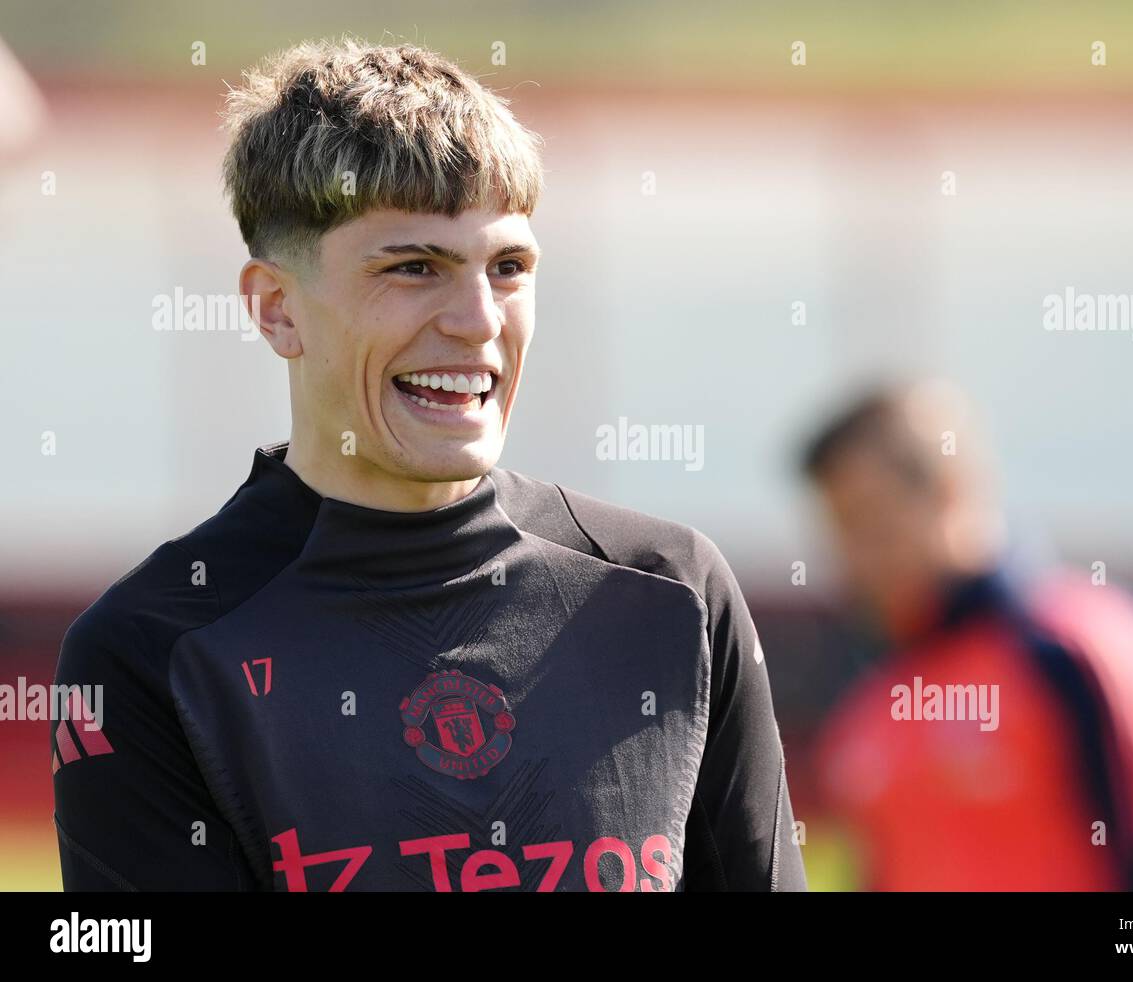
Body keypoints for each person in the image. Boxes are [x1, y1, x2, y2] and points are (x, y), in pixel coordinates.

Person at [50, 37, 805, 893]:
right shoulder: (153, 648)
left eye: (509, 268)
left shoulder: (671, 592)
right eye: (414, 268)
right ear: (276, 310)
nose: (479, 320)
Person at [802, 379, 1133, 890]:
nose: (852, 560)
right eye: (838, 532)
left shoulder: (1086, 650)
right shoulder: (874, 700)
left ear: (949, 488)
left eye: (870, 522)